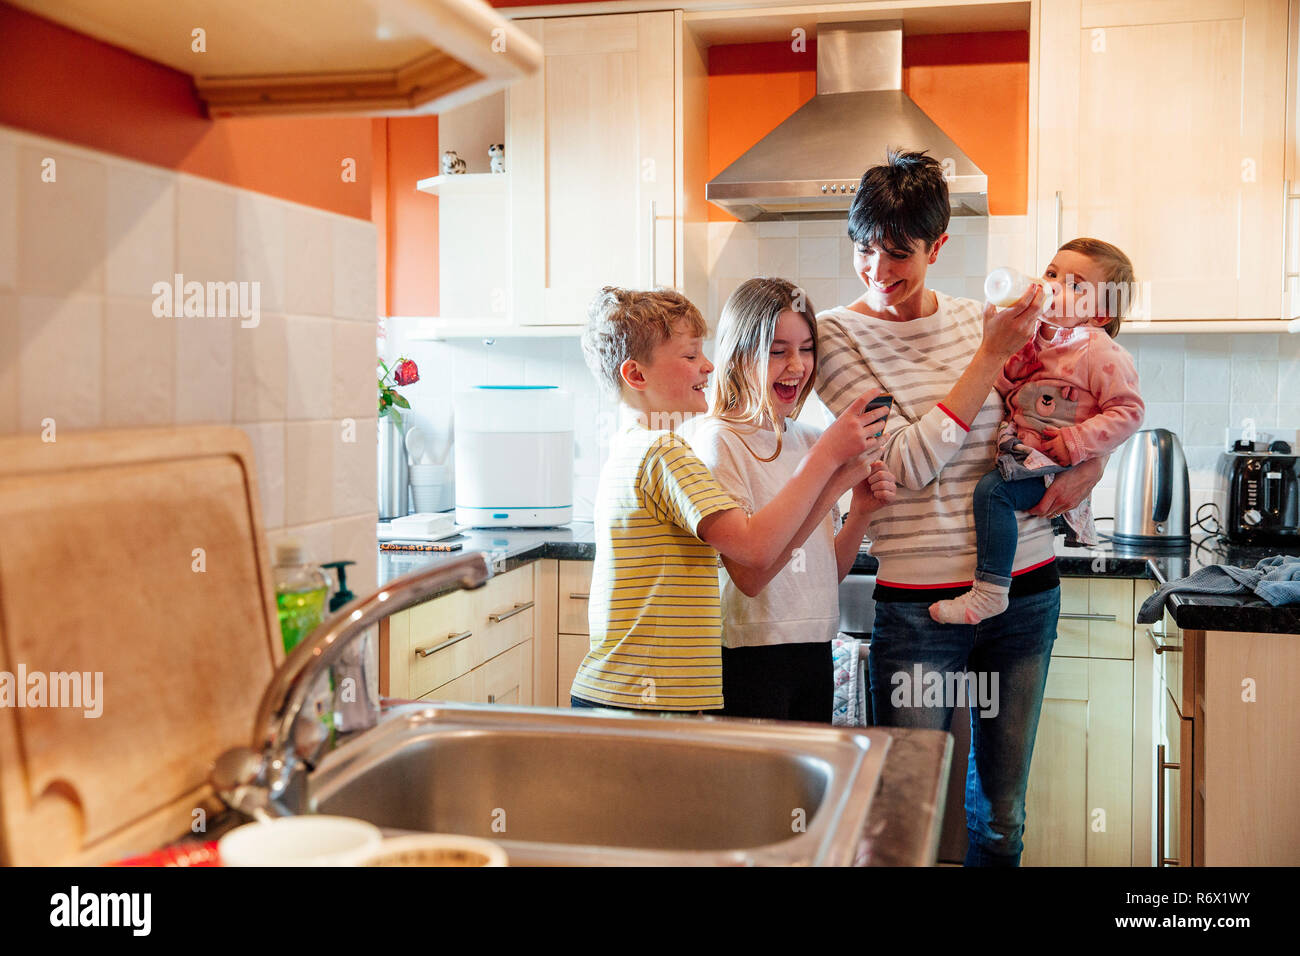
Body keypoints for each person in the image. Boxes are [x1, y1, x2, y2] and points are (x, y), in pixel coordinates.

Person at [814, 149, 1108, 866]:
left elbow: (1066, 405)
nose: (878, 272)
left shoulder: (985, 320)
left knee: (1001, 815)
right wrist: (985, 359)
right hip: (917, 609)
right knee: (906, 811)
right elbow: (907, 464)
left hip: (1024, 593)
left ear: (937, 247)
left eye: (897, 254)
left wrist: (1092, 462)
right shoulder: (835, 336)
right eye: (862, 251)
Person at [570, 286, 882, 713]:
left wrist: (850, 498)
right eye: (690, 355)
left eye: (807, 349)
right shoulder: (667, 453)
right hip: (648, 694)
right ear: (637, 375)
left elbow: (787, 556)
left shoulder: (637, 448)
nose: (708, 365)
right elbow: (754, 554)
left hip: (639, 691)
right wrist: (826, 462)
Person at [683, 277, 897, 722]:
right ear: (739, 356)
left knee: (804, 791)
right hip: (749, 655)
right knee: (756, 793)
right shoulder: (720, 441)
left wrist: (858, 513)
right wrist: (830, 476)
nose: (797, 366)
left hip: (814, 648)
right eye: (778, 351)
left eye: (806, 349)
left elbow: (822, 571)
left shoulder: (809, 440)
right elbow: (751, 575)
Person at [930, 239, 1145, 624]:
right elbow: (1005, 385)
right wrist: (1008, 347)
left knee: (992, 491)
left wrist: (1077, 444)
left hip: (1053, 466)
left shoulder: (1098, 350)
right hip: (1026, 453)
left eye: (1076, 285)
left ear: (1098, 314)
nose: (1055, 286)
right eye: (1051, 274)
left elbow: (1128, 412)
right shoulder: (1034, 336)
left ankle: (990, 593)